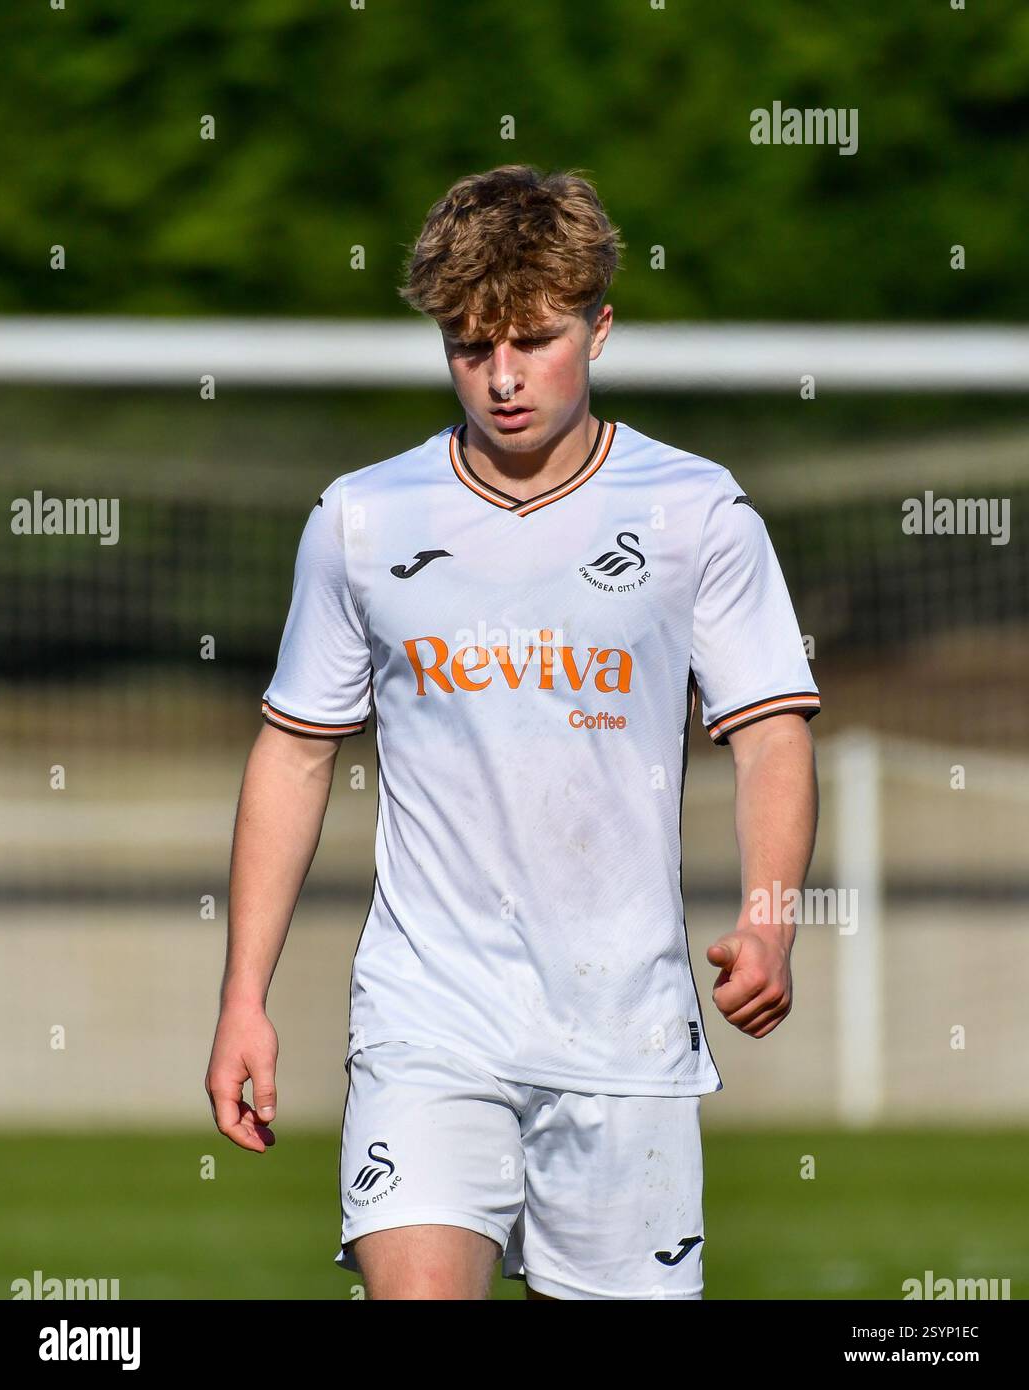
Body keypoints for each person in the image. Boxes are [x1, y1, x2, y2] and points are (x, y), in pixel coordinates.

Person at [205, 164, 820, 1301]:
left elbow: (772, 730)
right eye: (467, 347)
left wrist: (769, 920)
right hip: (426, 1016)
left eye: (532, 341)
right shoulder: (360, 518)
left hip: (622, 1030)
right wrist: (243, 995)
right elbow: (294, 752)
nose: (500, 378)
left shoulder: (696, 512)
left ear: (599, 326)